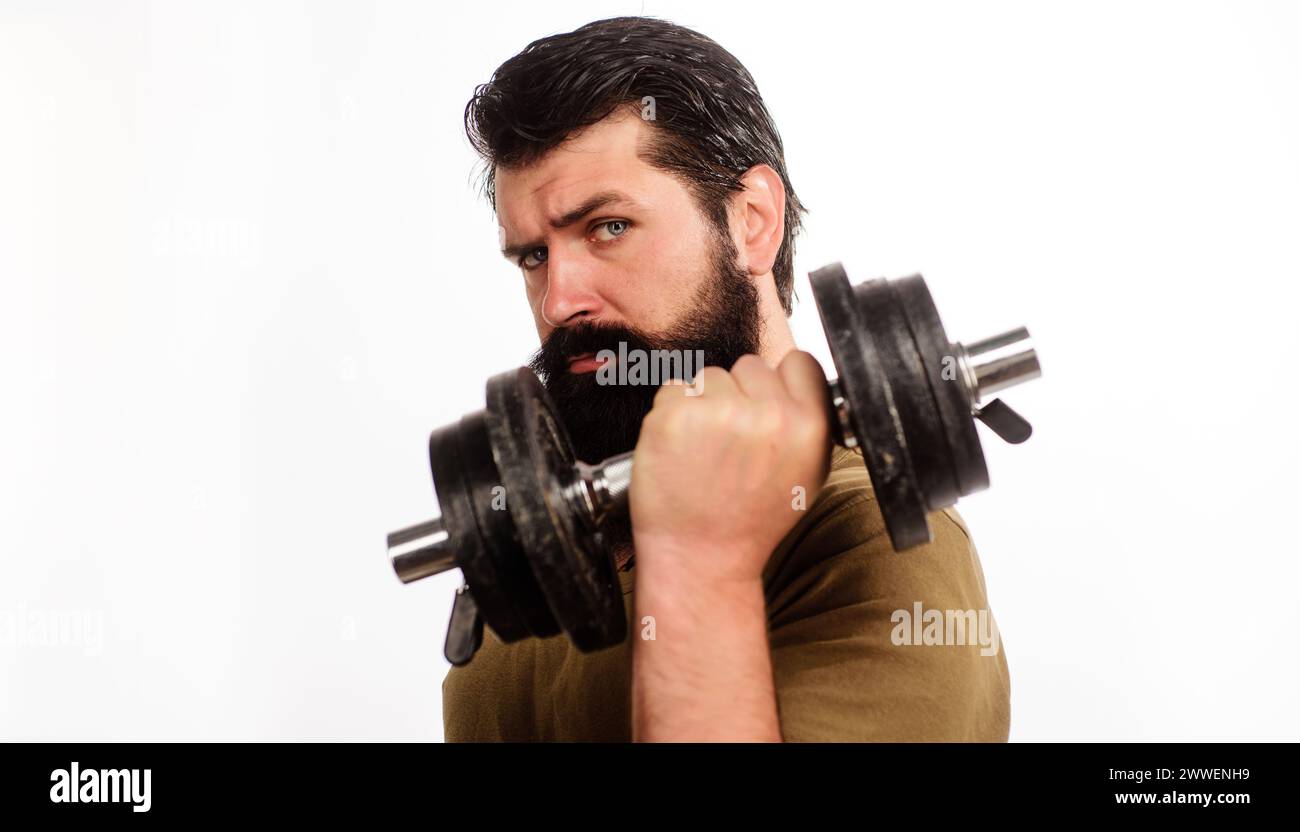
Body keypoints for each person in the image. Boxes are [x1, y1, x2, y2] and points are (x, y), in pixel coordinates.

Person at [442, 15, 1009, 742]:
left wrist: (701, 560)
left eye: (608, 227)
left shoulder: (874, 541)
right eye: (532, 258)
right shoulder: (529, 574)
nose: (558, 301)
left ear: (752, 221)